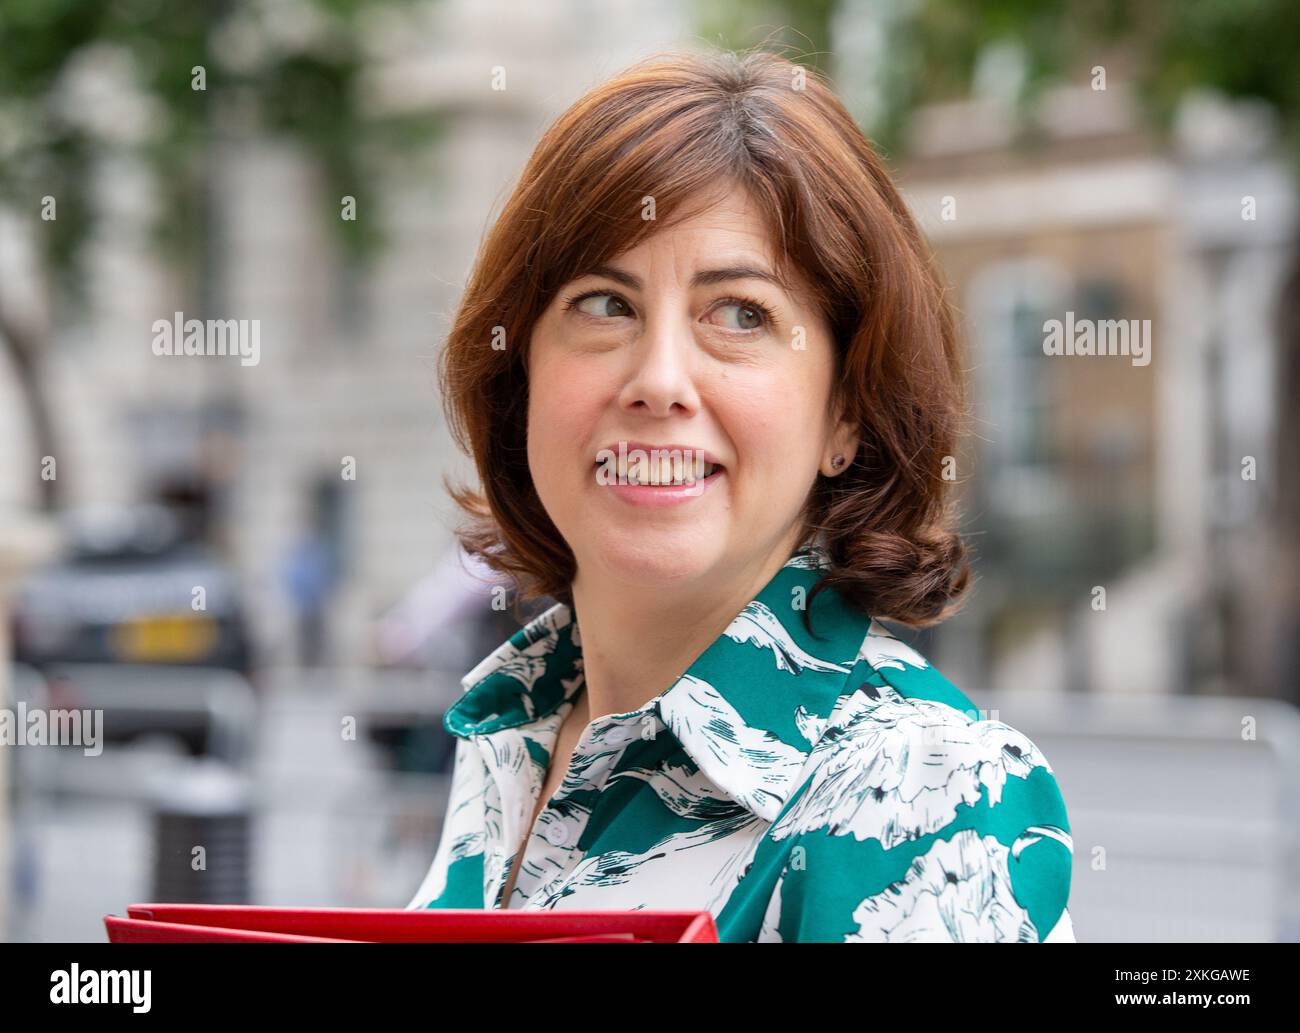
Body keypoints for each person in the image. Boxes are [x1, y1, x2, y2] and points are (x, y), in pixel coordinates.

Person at [405, 47, 1074, 942]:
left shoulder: (928, 793)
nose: (659, 379)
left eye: (741, 314)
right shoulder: (517, 727)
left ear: (846, 411)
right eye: (604, 304)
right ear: (520, 373)